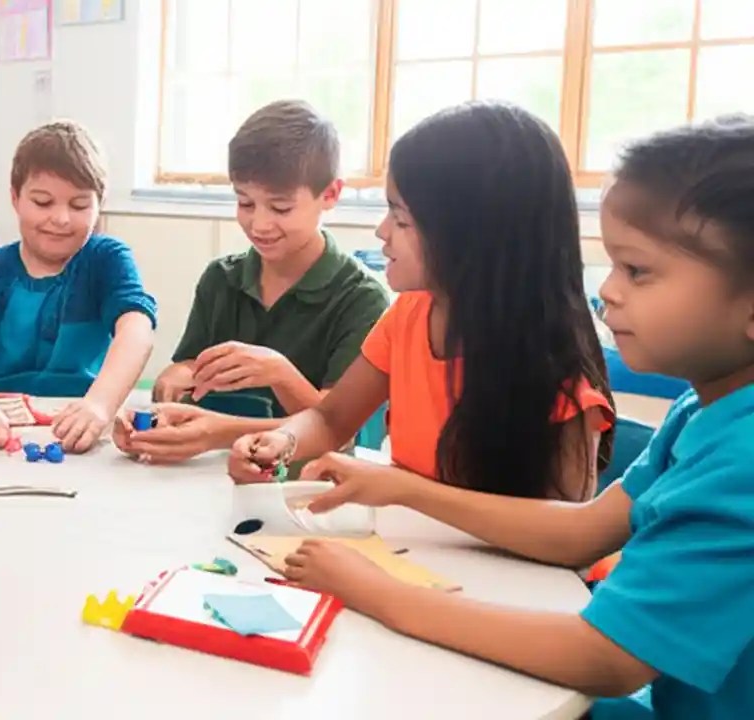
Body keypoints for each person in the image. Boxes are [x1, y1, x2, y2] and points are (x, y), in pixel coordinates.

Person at [285, 115, 754, 720]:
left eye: (637, 271)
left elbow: (606, 657)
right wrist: (401, 487)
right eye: (611, 265)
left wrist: (381, 594)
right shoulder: (704, 408)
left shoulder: (742, 457)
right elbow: (580, 533)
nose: (608, 291)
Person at [228, 102, 615, 502]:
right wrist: (280, 441)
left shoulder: (557, 375)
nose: (381, 231)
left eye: (401, 218)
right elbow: (332, 419)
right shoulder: (409, 316)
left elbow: (563, 536)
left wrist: (405, 491)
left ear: (470, 235)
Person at [0, 120, 157, 453]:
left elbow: (137, 328)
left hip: (78, 427)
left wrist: (99, 405)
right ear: (16, 198)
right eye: (43, 202)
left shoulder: (106, 259)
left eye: (78, 205)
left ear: (99, 203)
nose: (61, 218)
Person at [153, 100, 388, 418]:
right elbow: (190, 363)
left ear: (330, 195)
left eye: (280, 208)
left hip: (304, 467)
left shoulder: (362, 299)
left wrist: (279, 374)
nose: (259, 225)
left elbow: (337, 427)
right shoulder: (220, 279)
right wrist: (179, 375)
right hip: (212, 461)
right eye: (245, 203)